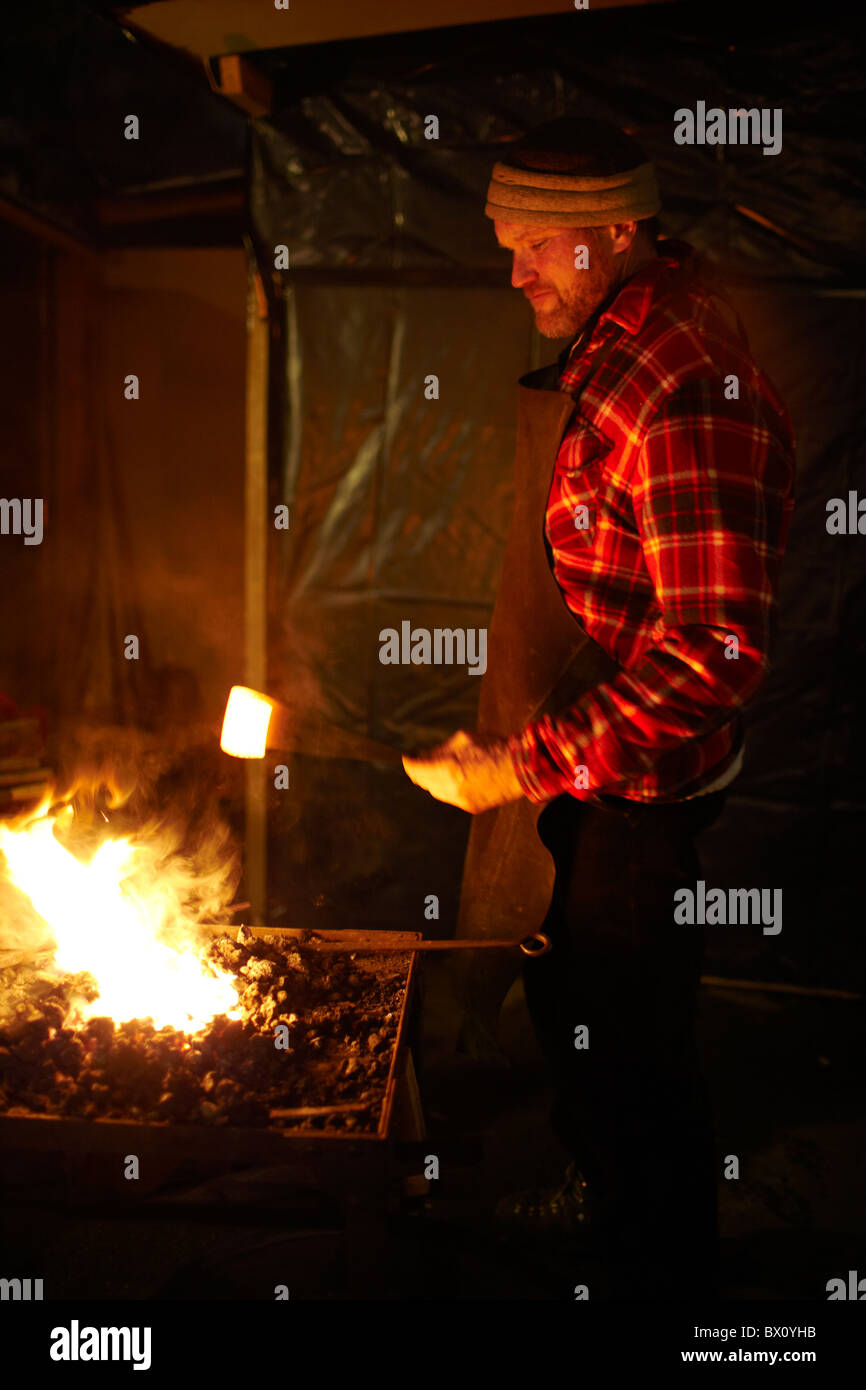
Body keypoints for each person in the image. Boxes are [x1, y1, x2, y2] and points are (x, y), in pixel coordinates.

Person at [403, 117, 795, 1295]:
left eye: (535, 246)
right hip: (598, 761)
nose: (512, 270)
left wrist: (525, 764)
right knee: (578, 1002)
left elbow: (715, 652)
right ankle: (606, 1202)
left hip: (637, 786)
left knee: (630, 1050)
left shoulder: (677, 381)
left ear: (618, 230)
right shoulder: (617, 341)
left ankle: (654, 1269)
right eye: (504, 243)